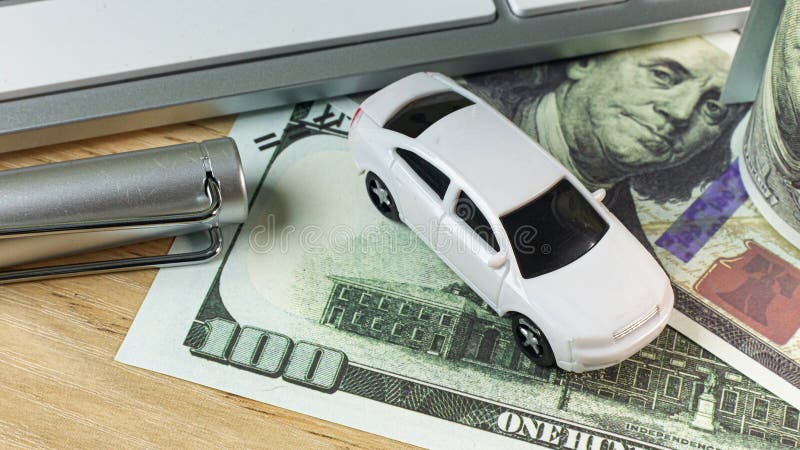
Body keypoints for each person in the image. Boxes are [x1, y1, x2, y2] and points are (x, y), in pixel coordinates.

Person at [467, 37, 747, 248]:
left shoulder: (632, 252)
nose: (680, 113)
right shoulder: (452, 109)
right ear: (585, 60)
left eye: (713, 108)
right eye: (662, 75)